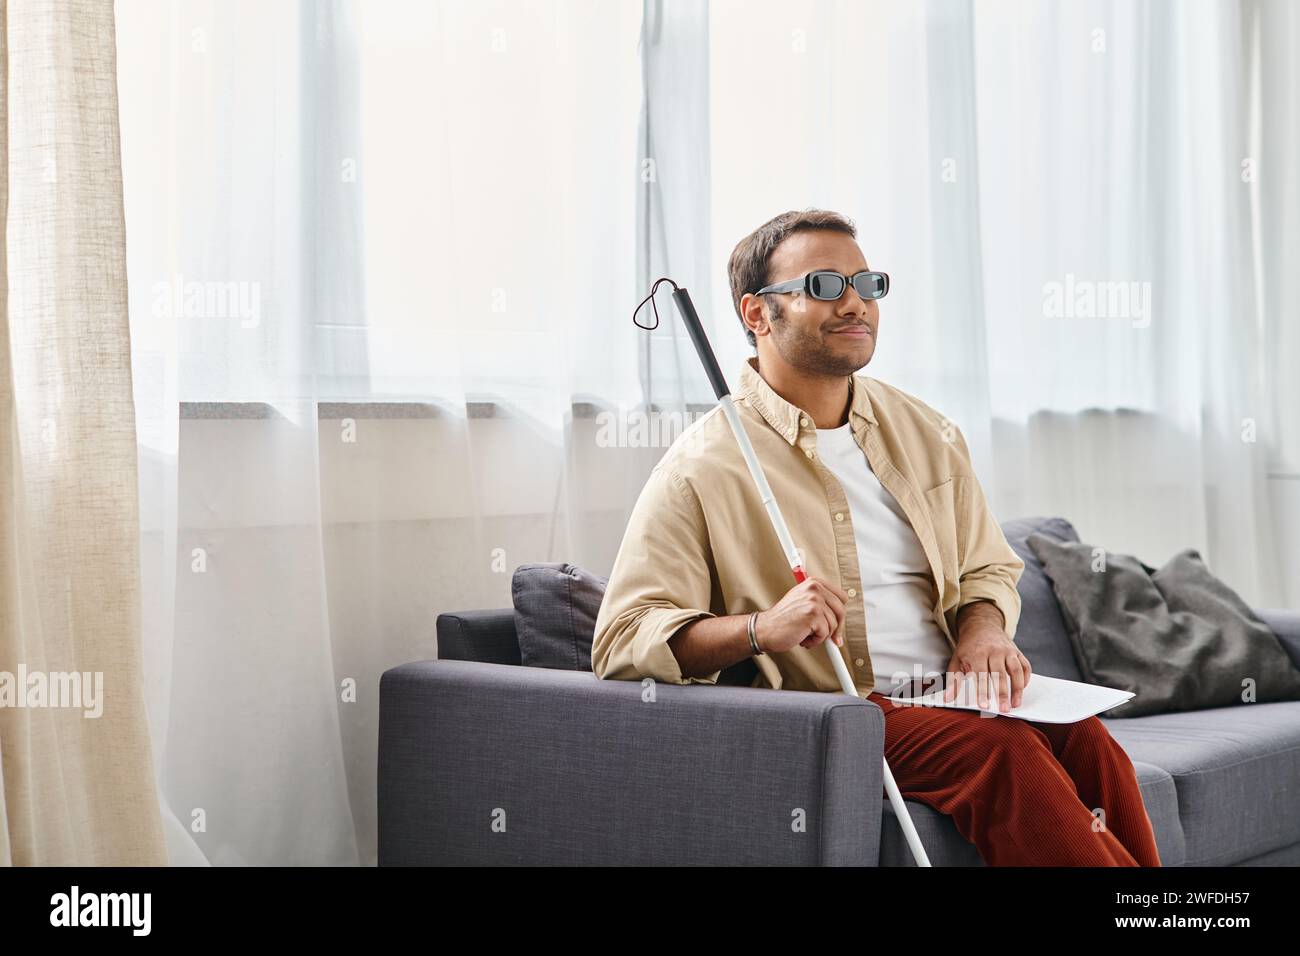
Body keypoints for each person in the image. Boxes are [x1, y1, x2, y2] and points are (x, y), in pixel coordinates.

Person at [591, 208, 1161, 867]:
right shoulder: (701, 468)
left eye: (868, 284)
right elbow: (623, 638)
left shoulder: (928, 432)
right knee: (1001, 753)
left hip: (949, 694)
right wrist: (762, 628)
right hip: (839, 712)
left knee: (1089, 741)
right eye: (825, 286)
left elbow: (986, 570)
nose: (855, 303)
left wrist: (983, 631)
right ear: (757, 313)